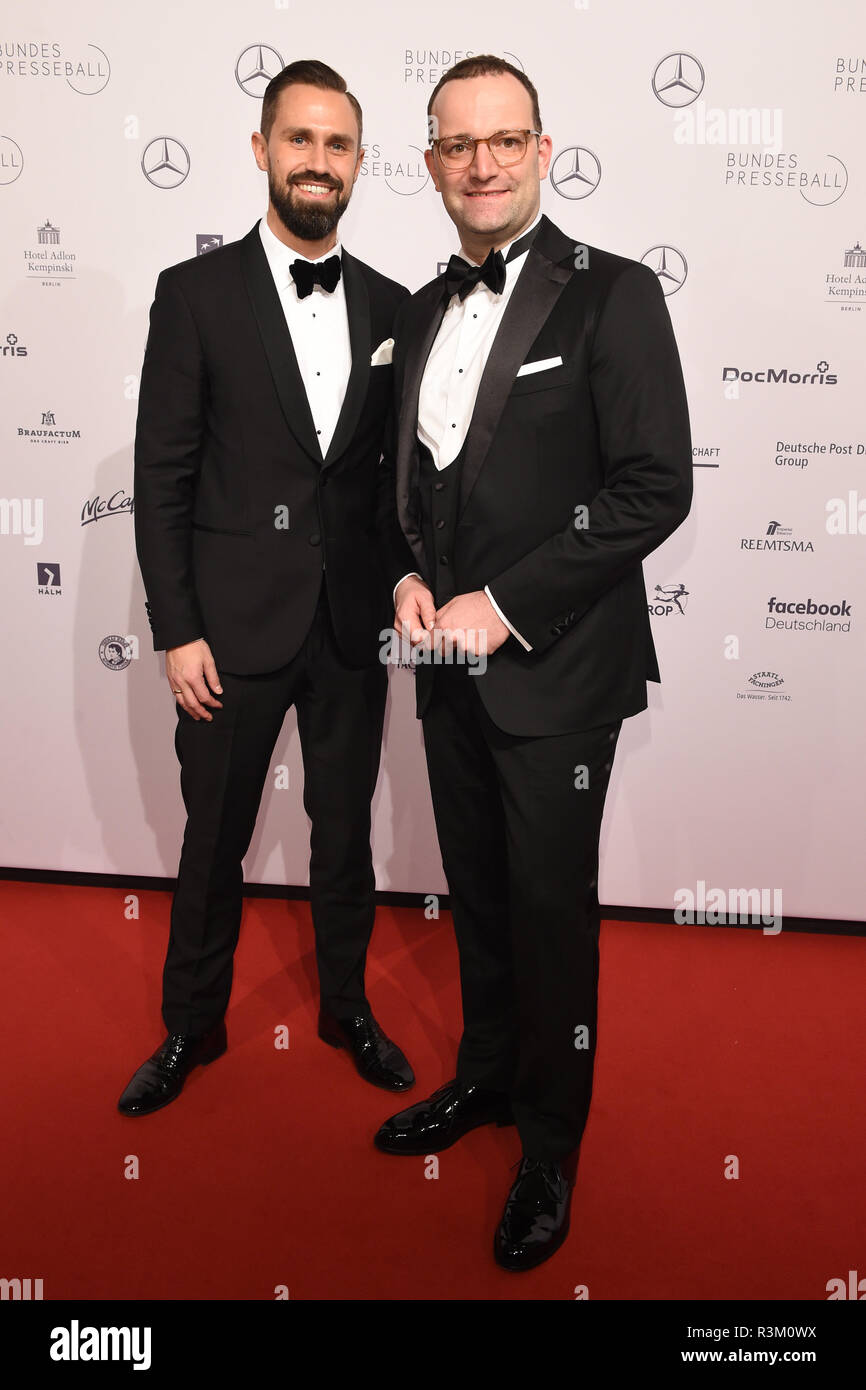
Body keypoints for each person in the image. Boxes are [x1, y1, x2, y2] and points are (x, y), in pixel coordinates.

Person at [375, 55, 693, 1271]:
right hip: (440, 667)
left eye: (505, 140)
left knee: (553, 916)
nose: (483, 163)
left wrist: (503, 606)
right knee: (479, 898)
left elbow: (650, 485)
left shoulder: (612, 295)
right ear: (431, 163)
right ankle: (485, 1081)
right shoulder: (416, 309)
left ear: (543, 149)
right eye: (460, 145)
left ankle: (550, 1151)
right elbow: (409, 487)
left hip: (556, 671)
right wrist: (404, 572)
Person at [119, 59, 416, 1118]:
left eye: (337, 145)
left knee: (347, 836)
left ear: (357, 164)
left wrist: (407, 582)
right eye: (299, 140)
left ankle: (344, 1006)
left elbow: (391, 484)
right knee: (214, 841)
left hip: (347, 627)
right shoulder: (192, 296)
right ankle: (191, 1028)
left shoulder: (391, 304)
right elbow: (164, 476)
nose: (317, 162)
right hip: (229, 632)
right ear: (261, 150)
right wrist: (177, 629)